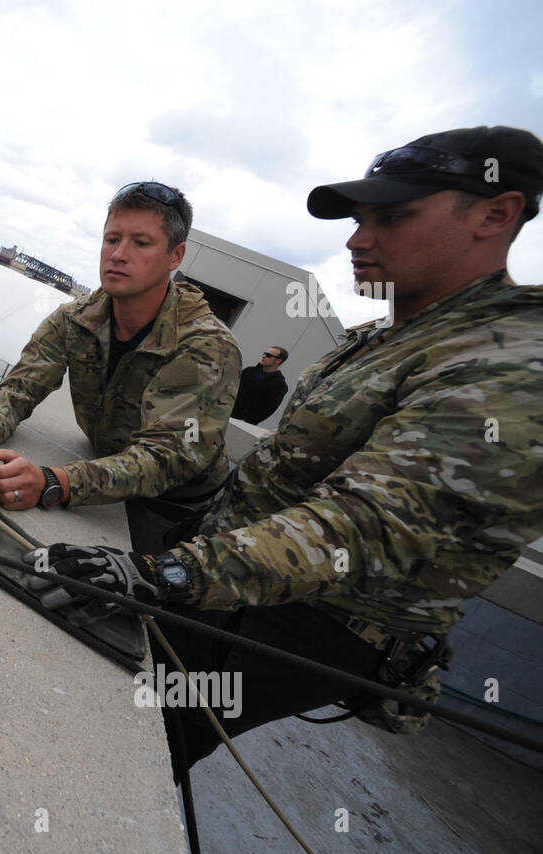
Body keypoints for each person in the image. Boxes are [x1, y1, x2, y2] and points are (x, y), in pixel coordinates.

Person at [26, 125, 543, 770]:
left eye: (392, 217)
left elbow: (365, 526)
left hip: (304, 623)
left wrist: (166, 574)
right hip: (238, 581)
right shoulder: (394, 337)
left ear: (496, 214)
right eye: (359, 219)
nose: (357, 239)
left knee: (125, 755)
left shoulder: (512, 367)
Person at [0, 182, 241, 552]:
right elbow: (22, 385)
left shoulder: (206, 346)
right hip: (106, 465)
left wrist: (55, 482)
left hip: (176, 507)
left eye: (141, 243)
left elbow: (166, 457)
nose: (118, 255)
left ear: (175, 256)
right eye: (112, 239)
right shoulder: (78, 317)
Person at [230, 346, 288, 425]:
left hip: (244, 423)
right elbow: (231, 388)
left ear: (278, 361)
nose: (264, 356)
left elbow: (269, 408)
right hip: (226, 414)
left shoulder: (279, 385)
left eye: (269, 355)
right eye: (265, 353)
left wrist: (248, 421)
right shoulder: (249, 371)